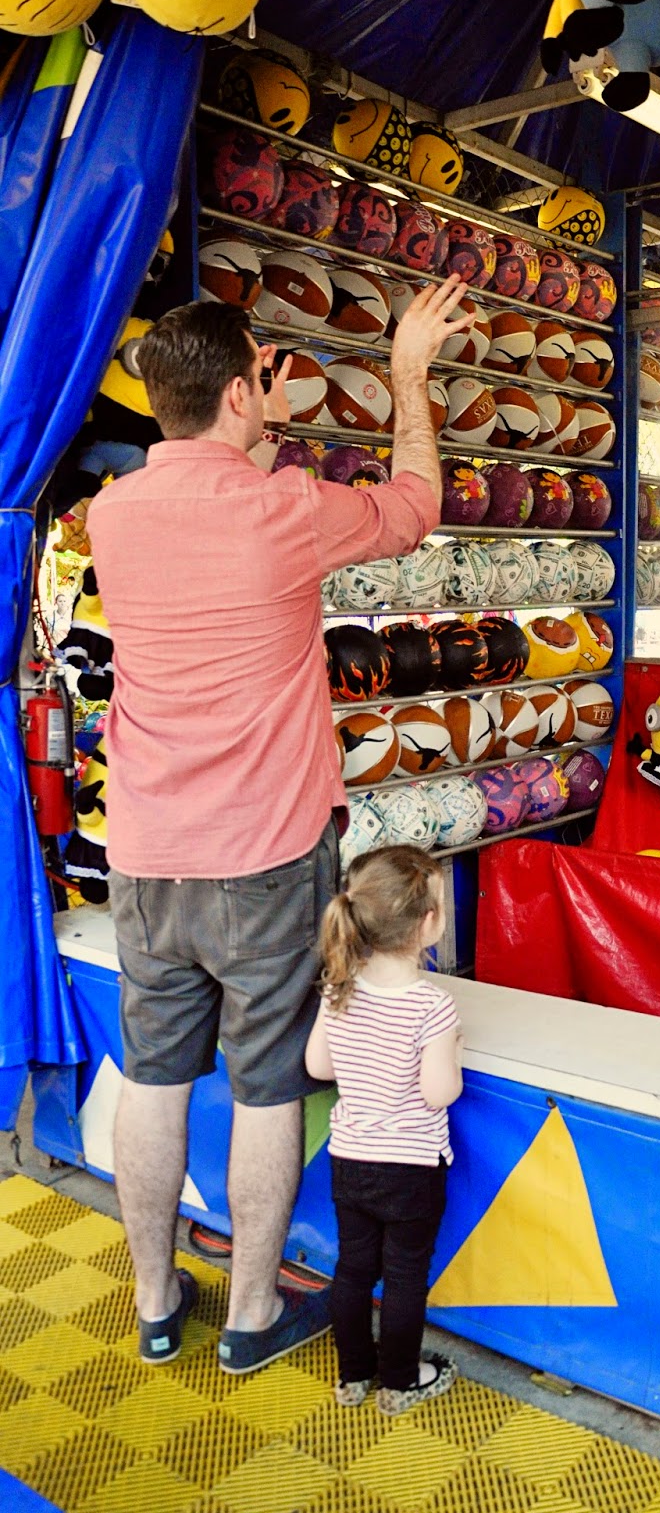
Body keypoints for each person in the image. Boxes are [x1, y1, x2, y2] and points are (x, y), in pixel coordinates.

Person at [87, 275, 473, 1375]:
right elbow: (412, 508)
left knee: (155, 1075)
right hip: (266, 856)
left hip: (150, 853)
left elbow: (210, 495)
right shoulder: (285, 508)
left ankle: (158, 1304)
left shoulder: (113, 515)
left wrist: (245, 414)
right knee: (265, 1084)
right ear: (246, 399)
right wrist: (404, 372)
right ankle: (251, 1314)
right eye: (261, 378)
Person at [303, 847, 463, 1416]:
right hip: (411, 1170)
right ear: (428, 924)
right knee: (403, 1277)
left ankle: (353, 1375)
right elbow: (439, 1092)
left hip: (351, 1162)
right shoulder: (432, 1007)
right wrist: (454, 1051)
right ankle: (400, 1379)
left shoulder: (338, 987)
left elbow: (320, 1067)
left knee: (352, 1268)